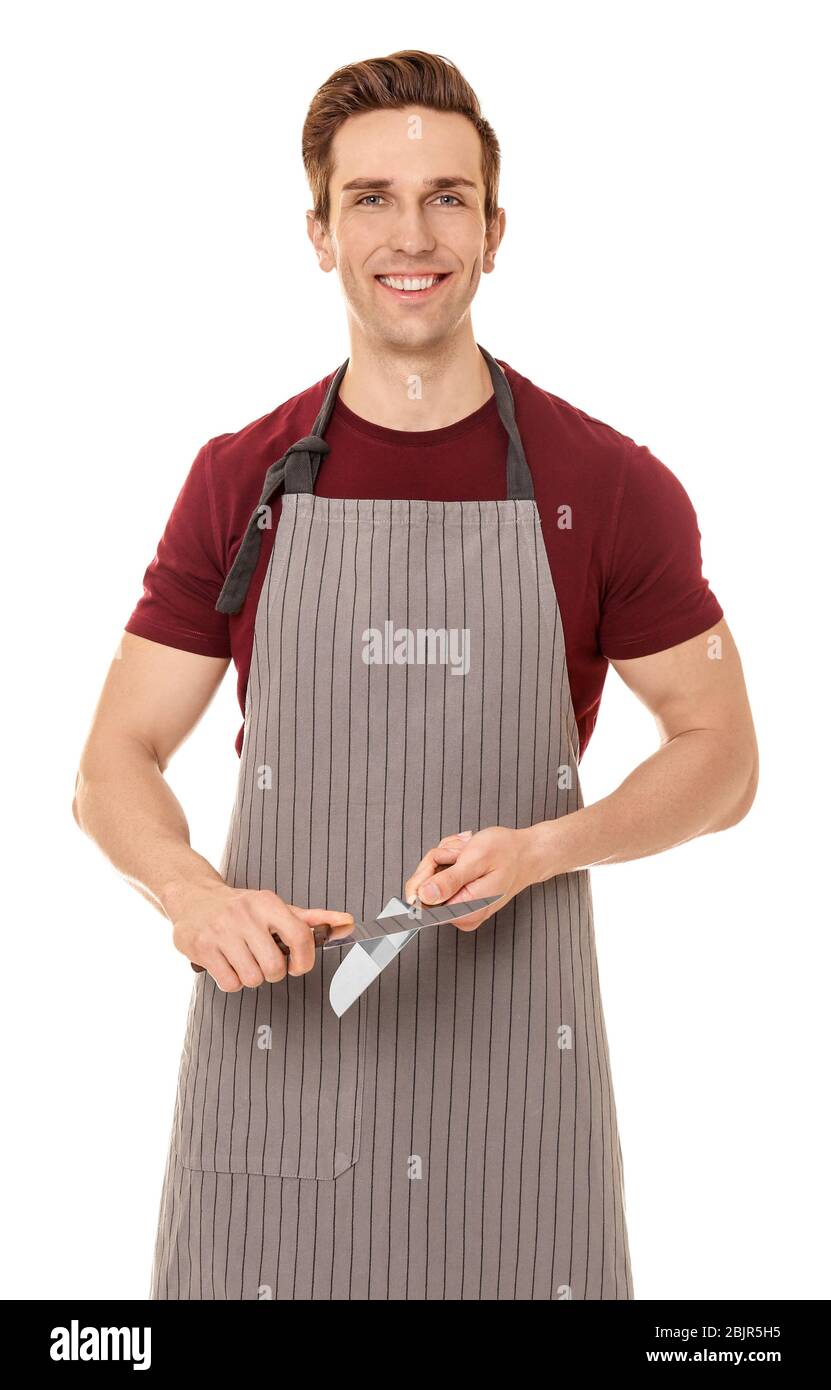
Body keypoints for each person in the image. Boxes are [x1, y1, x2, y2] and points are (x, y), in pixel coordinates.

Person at [72, 49, 758, 1301]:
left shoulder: (606, 483)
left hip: (519, 1082)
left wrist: (550, 846)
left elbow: (721, 755)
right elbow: (113, 759)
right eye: (371, 198)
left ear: (495, 233)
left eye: (447, 197)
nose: (413, 233)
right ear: (320, 232)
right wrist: (189, 894)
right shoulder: (243, 480)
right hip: (276, 1059)